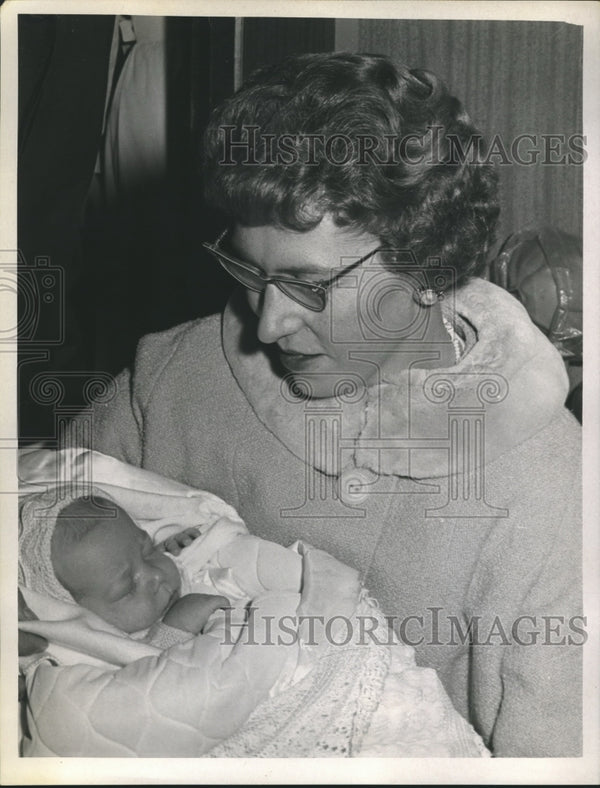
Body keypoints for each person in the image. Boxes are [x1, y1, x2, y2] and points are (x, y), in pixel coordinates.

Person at [76, 52, 581, 756]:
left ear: (431, 265)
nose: (268, 323)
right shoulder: (172, 375)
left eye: (309, 286)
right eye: (249, 271)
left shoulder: (550, 490)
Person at [18, 457, 488, 757]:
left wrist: (179, 544)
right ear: (78, 615)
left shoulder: (175, 568)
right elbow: (153, 690)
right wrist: (172, 632)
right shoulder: (87, 661)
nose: (155, 576)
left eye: (147, 549)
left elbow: (221, 564)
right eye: (126, 588)